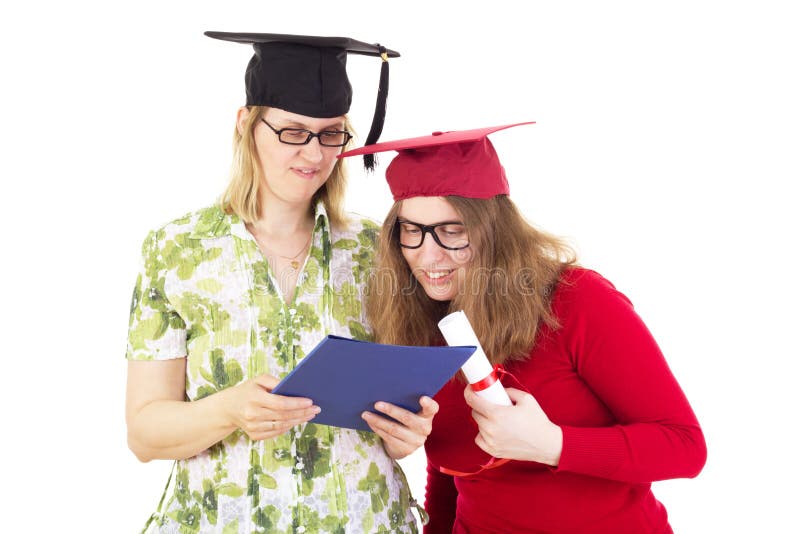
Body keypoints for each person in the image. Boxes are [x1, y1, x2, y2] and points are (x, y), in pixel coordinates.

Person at [125, 32, 437, 534]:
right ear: (247, 125)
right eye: (293, 132)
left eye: (331, 133)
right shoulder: (177, 251)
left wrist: (408, 432)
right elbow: (144, 434)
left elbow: (401, 414)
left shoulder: (375, 249)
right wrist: (228, 409)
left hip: (361, 520)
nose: (314, 154)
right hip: (223, 521)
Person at [340, 123, 707, 533]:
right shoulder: (421, 318)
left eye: (452, 231)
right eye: (412, 230)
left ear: (495, 231)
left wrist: (553, 444)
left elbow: (684, 447)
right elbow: (451, 472)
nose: (428, 256)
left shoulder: (577, 300)